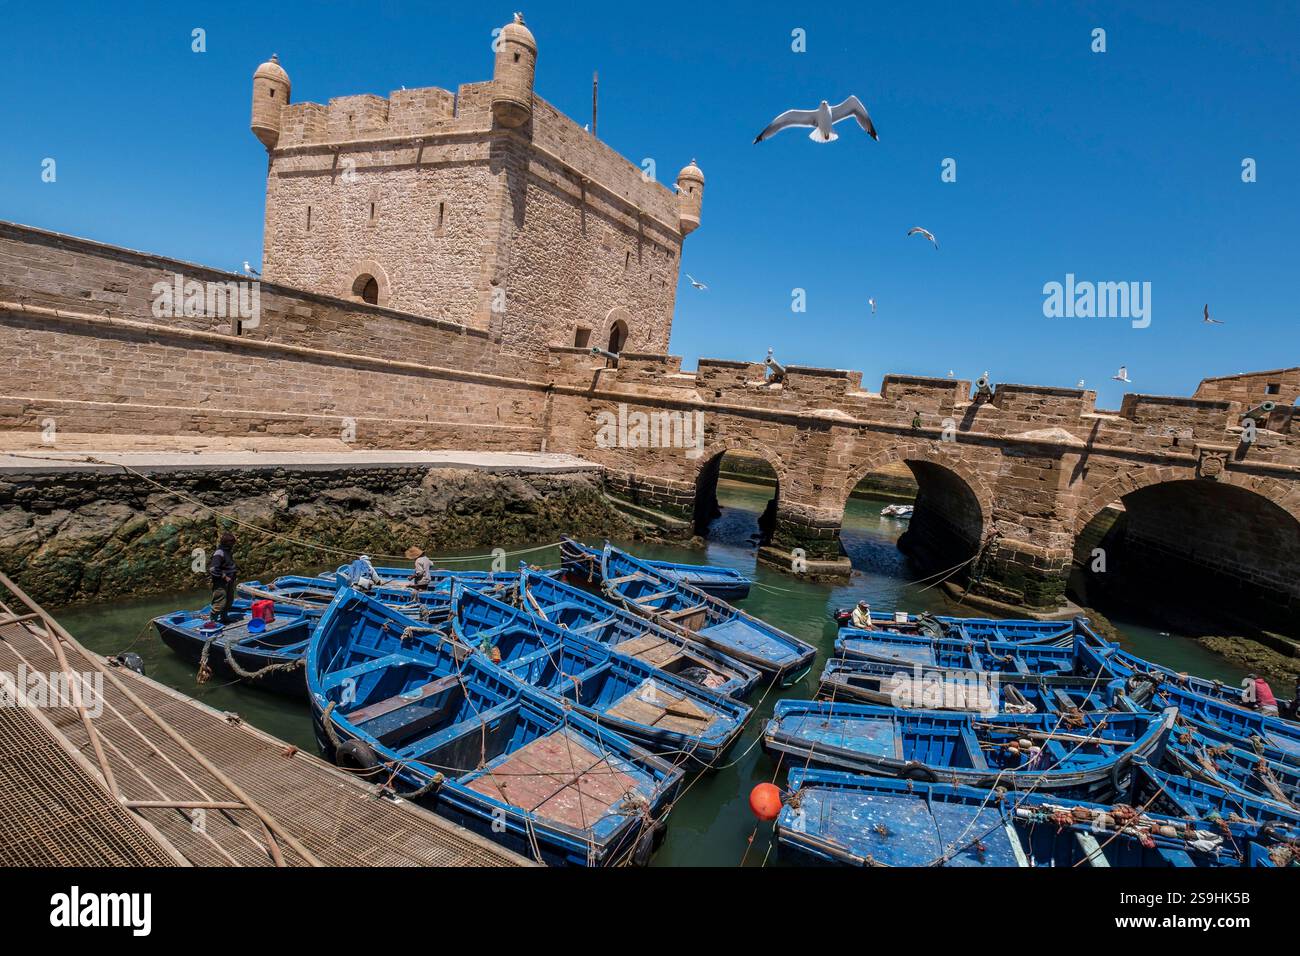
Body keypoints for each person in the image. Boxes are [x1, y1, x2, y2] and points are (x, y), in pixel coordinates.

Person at [208, 532, 237, 626]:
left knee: (229, 601)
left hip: (229, 582)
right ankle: (213, 620)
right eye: (232, 542)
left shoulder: (227, 551)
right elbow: (213, 569)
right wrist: (224, 576)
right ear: (227, 543)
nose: (233, 544)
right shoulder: (219, 553)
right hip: (221, 583)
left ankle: (224, 617)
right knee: (219, 603)